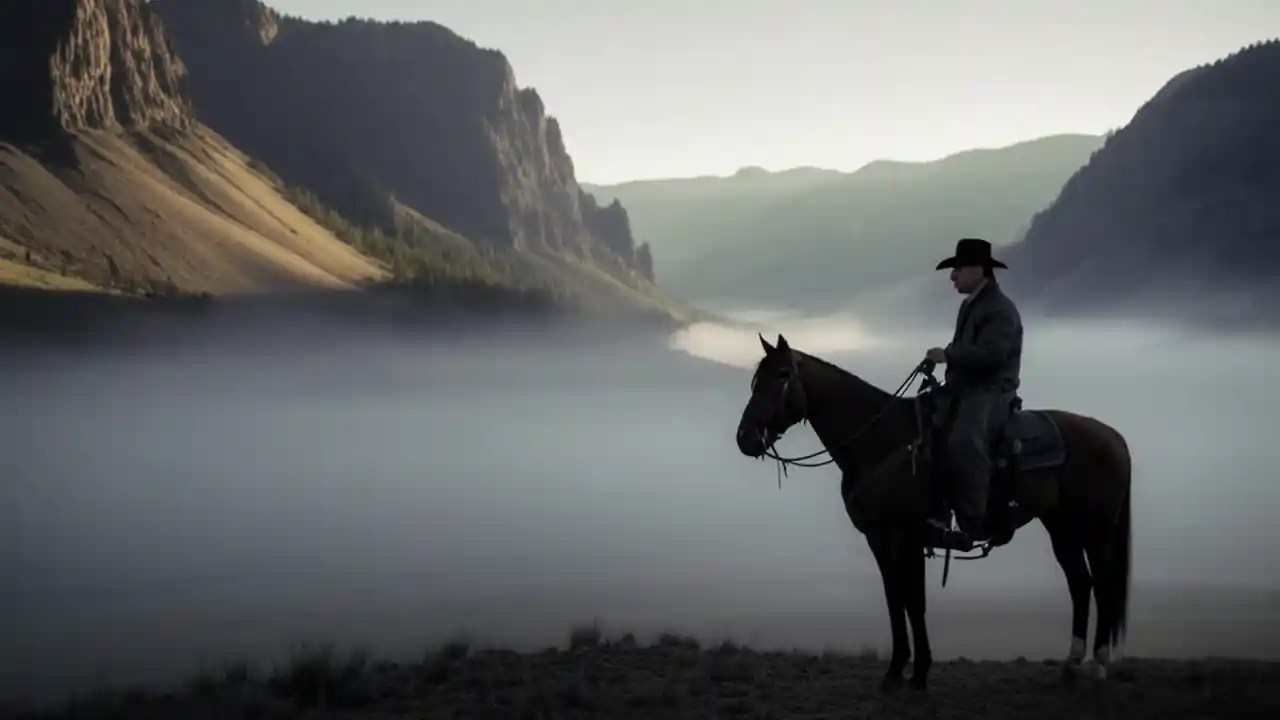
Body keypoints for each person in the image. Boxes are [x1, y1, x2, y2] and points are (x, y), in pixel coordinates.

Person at [922, 238, 1023, 550]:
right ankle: (935, 512)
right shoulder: (973, 305)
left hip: (992, 391)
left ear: (979, 271)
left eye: (958, 270)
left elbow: (993, 356)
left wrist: (949, 356)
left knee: (966, 439)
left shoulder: (1000, 310)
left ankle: (972, 522)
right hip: (966, 388)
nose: (952, 277)